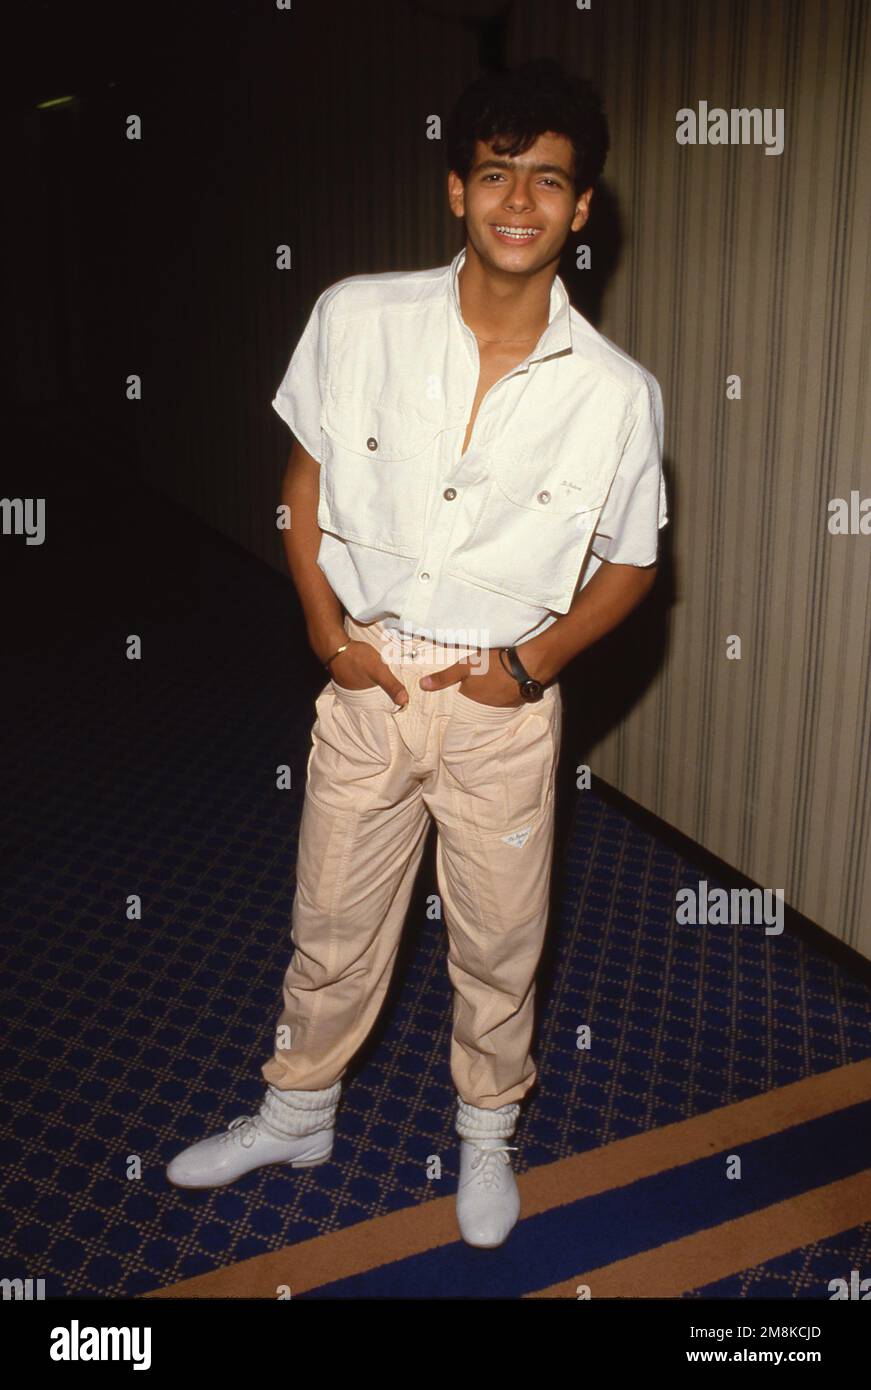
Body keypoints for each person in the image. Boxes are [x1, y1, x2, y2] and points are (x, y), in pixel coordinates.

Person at [166, 57, 668, 1250]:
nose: (519, 201)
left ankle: (486, 1134)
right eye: (497, 173)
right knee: (331, 914)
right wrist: (321, 627)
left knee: (500, 939)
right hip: (370, 677)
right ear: (456, 189)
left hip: (500, 700)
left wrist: (529, 668)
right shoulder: (357, 315)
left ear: (581, 209)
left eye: (549, 181)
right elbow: (306, 481)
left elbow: (635, 565)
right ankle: (298, 1110)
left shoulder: (614, 393)